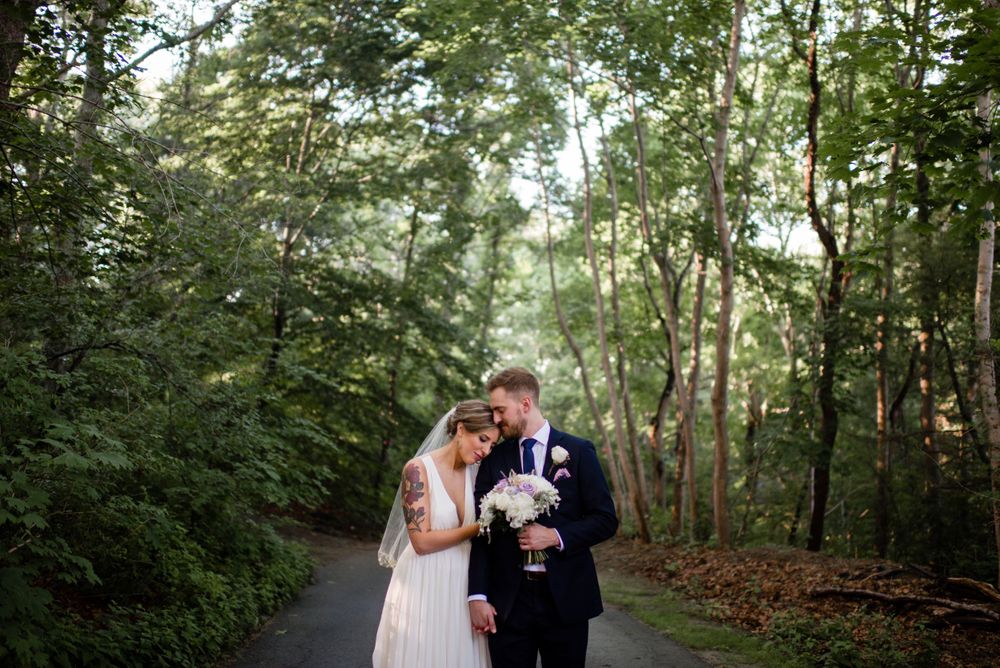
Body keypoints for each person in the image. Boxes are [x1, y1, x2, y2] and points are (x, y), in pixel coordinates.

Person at [469, 367, 619, 668]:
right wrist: (477, 595)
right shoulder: (494, 458)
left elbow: (605, 519)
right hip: (508, 601)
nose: (496, 419)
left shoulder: (578, 451)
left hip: (566, 598)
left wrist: (555, 537)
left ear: (525, 403)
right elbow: (482, 530)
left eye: (500, 410)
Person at [373, 399, 499, 668]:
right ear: (462, 429)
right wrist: (480, 526)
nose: (486, 450)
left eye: (492, 445)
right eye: (483, 439)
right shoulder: (417, 470)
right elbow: (421, 541)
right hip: (424, 579)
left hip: (464, 581)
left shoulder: (478, 475)